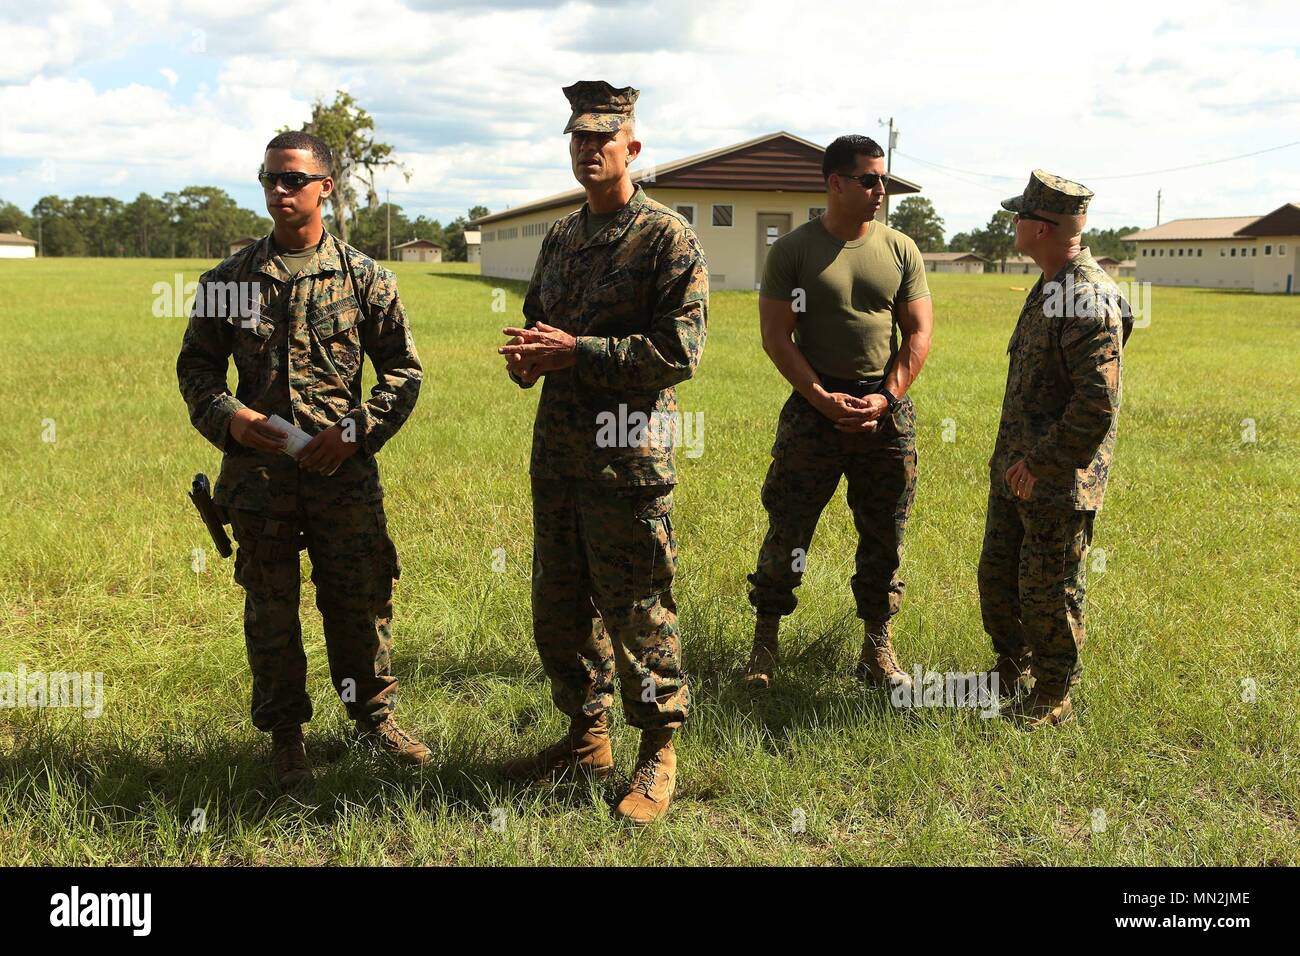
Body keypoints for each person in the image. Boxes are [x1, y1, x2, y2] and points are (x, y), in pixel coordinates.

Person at [177, 130, 430, 791]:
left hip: (341, 480)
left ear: (326, 187)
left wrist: (357, 430)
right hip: (258, 486)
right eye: (269, 179)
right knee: (270, 610)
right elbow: (197, 369)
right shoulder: (228, 283)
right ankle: (286, 736)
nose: (278, 191)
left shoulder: (365, 278)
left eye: (292, 179)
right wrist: (231, 417)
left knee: (359, 602)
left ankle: (373, 717)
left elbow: (402, 371)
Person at [497, 81, 708, 824]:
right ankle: (587, 739)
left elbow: (680, 351)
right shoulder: (561, 237)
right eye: (579, 139)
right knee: (559, 606)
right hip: (558, 453)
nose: (590, 150)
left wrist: (574, 351)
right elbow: (538, 323)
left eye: (603, 139)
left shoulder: (666, 238)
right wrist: (528, 355)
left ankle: (658, 750)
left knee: (638, 609)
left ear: (633, 150)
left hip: (627, 460)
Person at [744, 134, 933, 692]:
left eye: (883, 179)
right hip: (813, 411)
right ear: (835, 182)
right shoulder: (793, 251)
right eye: (869, 179)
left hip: (884, 412)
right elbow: (777, 336)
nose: (880, 189)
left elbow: (919, 331)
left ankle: (877, 649)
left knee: (885, 534)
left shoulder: (901, 249)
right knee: (790, 529)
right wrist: (820, 398)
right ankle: (765, 642)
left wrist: (888, 394)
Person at [979, 169, 1131, 728]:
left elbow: (1097, 403)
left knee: (1048, 587)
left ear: (1041, 228)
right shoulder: (1050, 285)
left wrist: (1041, 464)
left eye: (1019, 216)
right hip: (1018, 469)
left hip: (1053, 478)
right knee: (1000, 578)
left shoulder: (1084, 297)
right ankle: (1011, 668)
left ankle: (1052, 692)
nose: (1013, 223)